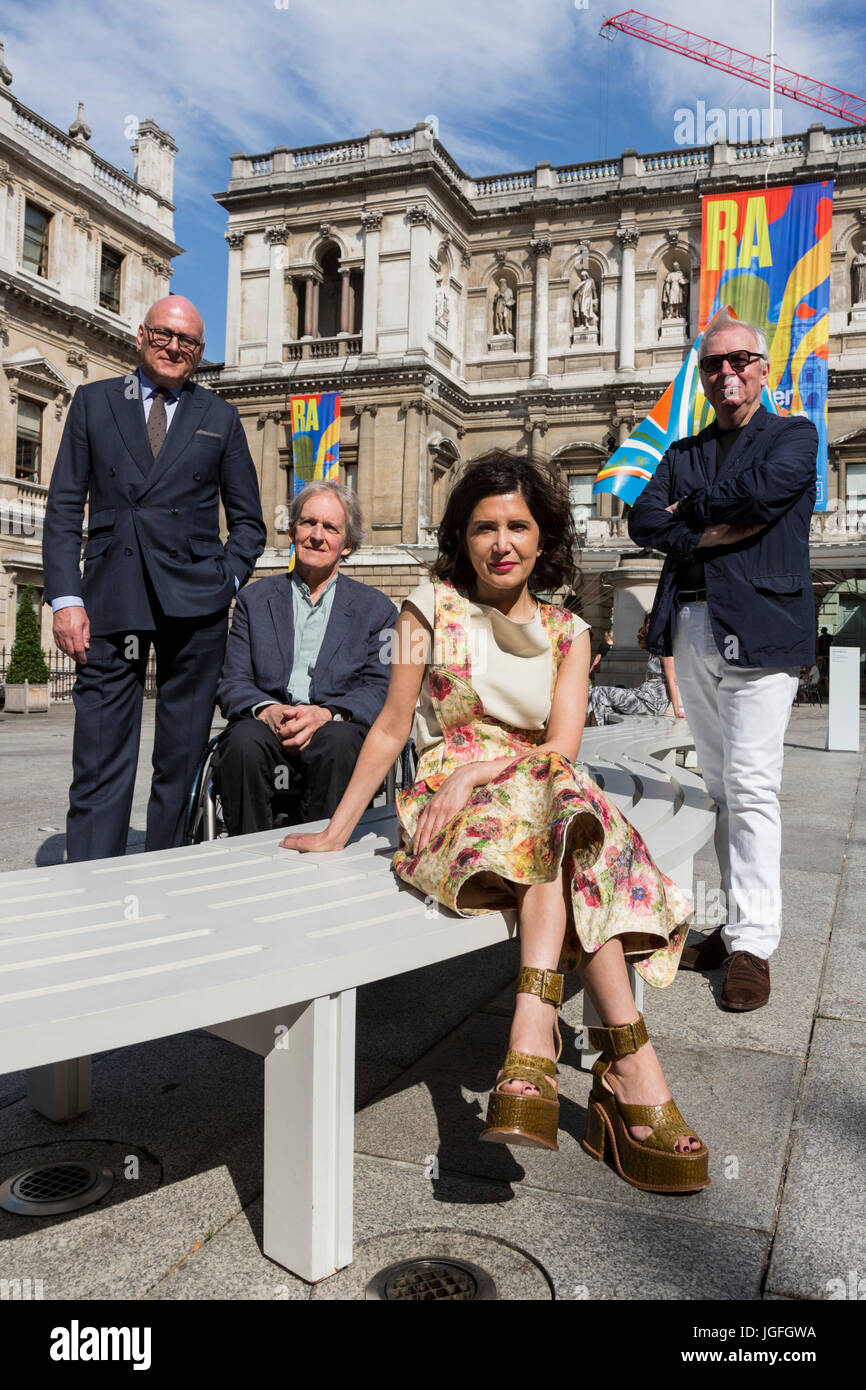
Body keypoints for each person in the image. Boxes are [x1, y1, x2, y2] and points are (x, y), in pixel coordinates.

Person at [280, 454, 709, 1194]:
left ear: (544, 540)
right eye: (485, 527)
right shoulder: (426, 609)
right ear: (463, 536)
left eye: (518, 525)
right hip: (452, 803)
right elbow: (388, 729)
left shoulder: (569, 631)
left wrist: (493, 767)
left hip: (536, 789)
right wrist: (337, 830)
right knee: (569, 815)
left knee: (558, 802)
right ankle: (627, 1068)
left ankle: (532, 1040)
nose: (502, 542)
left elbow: (562, 748)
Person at [628, 312, 818, 1012]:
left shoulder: (795, 435)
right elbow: (643, 520)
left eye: (740, 360)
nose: (726, 372)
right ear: (703, 376)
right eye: (713, 364)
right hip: (693, 622)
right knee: (719, 786)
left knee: (753, 784)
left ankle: (754, 945)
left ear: (763, 367)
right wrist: (711, 520)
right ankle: (734, 925)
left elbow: (767, 495)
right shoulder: (682, 449)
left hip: (762, 627)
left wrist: (692, 516)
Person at [43, 295, 267, 861]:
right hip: (110, 595)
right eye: (165, 335)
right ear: (141, 336)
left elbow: (248, 523)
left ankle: (170, 872)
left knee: (181, 752)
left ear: (198, 353)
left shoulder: (219, 415)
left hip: (196, 602)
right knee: (98, 751)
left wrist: (227, 580)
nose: (174, 347)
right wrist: (66, 599)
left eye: (187, 341)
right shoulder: (93, 403)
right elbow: (65, 508)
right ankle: (94, 877)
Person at [213, 482, 397, 832]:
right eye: (308, 523)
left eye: (331, 528)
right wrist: (267, 711)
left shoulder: (378, 610)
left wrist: (327, 713)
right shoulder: (254, 601)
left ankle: (325, 848)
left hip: (336, 728)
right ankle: (247, 852)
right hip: (267, 724)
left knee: (339, 743)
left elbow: (381, 687)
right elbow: (232, 680)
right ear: (292, 532)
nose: (317, 535)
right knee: (240, 743)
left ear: (348, 546)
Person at [587, 615, 684, 724]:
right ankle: (601, 730)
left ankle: (593, 728)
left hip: (653, 702)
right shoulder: (653, 651)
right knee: (603, 702)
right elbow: (649, 681)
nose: (649, 626)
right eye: (647, 623)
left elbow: (672, 680)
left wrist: (675, 710)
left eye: (652, 623)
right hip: (645, 696)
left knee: (598, 692)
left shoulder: (665, 650)